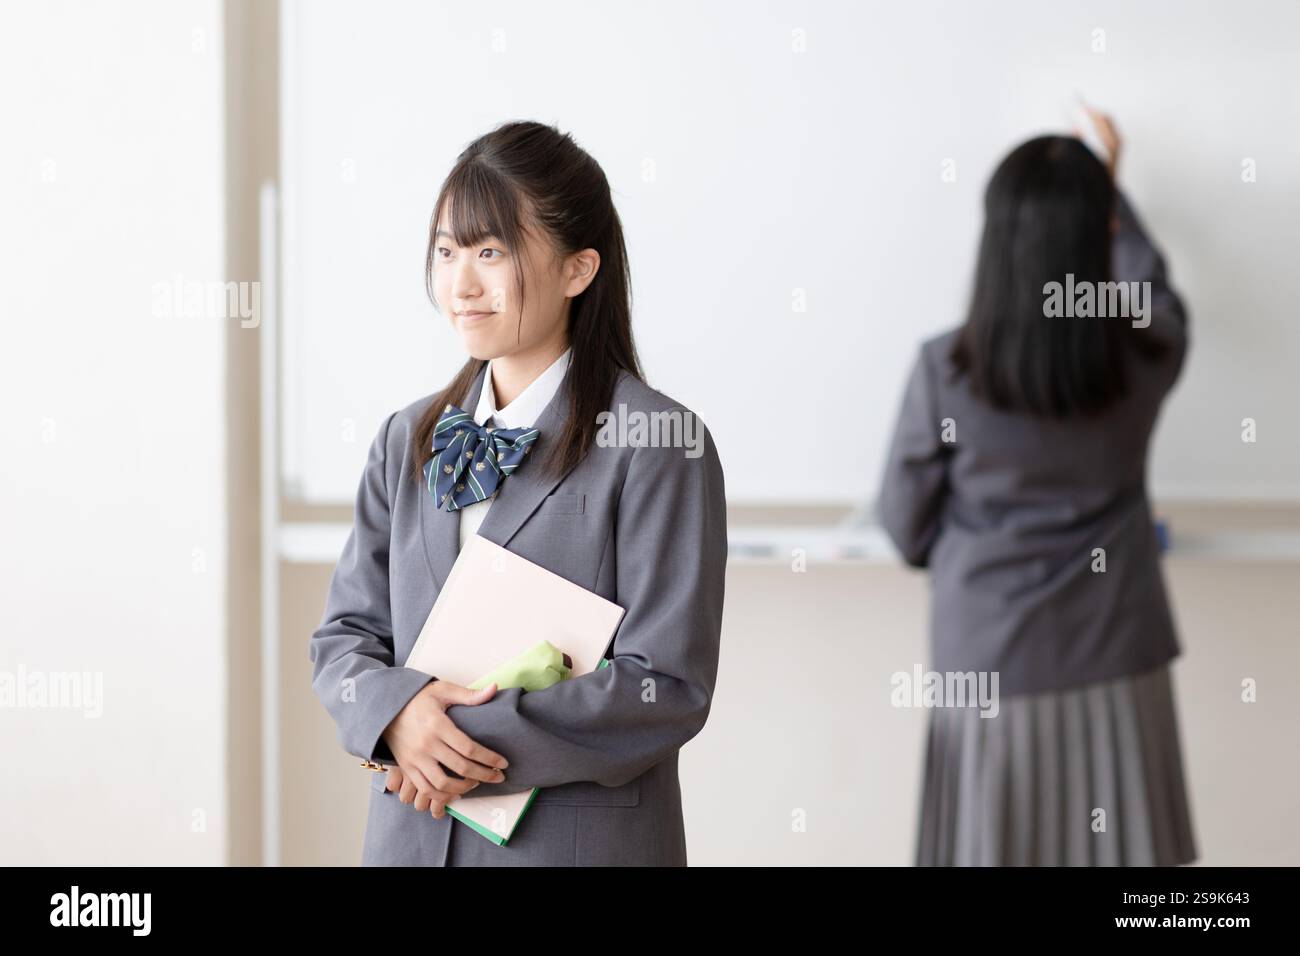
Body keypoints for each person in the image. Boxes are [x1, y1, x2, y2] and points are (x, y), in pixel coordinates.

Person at [309, 121, 728, 866]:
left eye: (491, 251)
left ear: (578, 269)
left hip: (570, 846)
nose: (461, 285)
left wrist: (452, 738)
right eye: (447, 251)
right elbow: (345, 637)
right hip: (409, 841)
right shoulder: (405, 436)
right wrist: (395, 715)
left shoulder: (660, 444)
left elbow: (663, 685)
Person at [878, 112, 1197, 865]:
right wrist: (1109, 196)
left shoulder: (945, 371)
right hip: (1119, 658)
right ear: (1097, 240)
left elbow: (904, 524)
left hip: (988, 667)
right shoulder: (1145, 353)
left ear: (997, 240)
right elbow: (1156, 293)